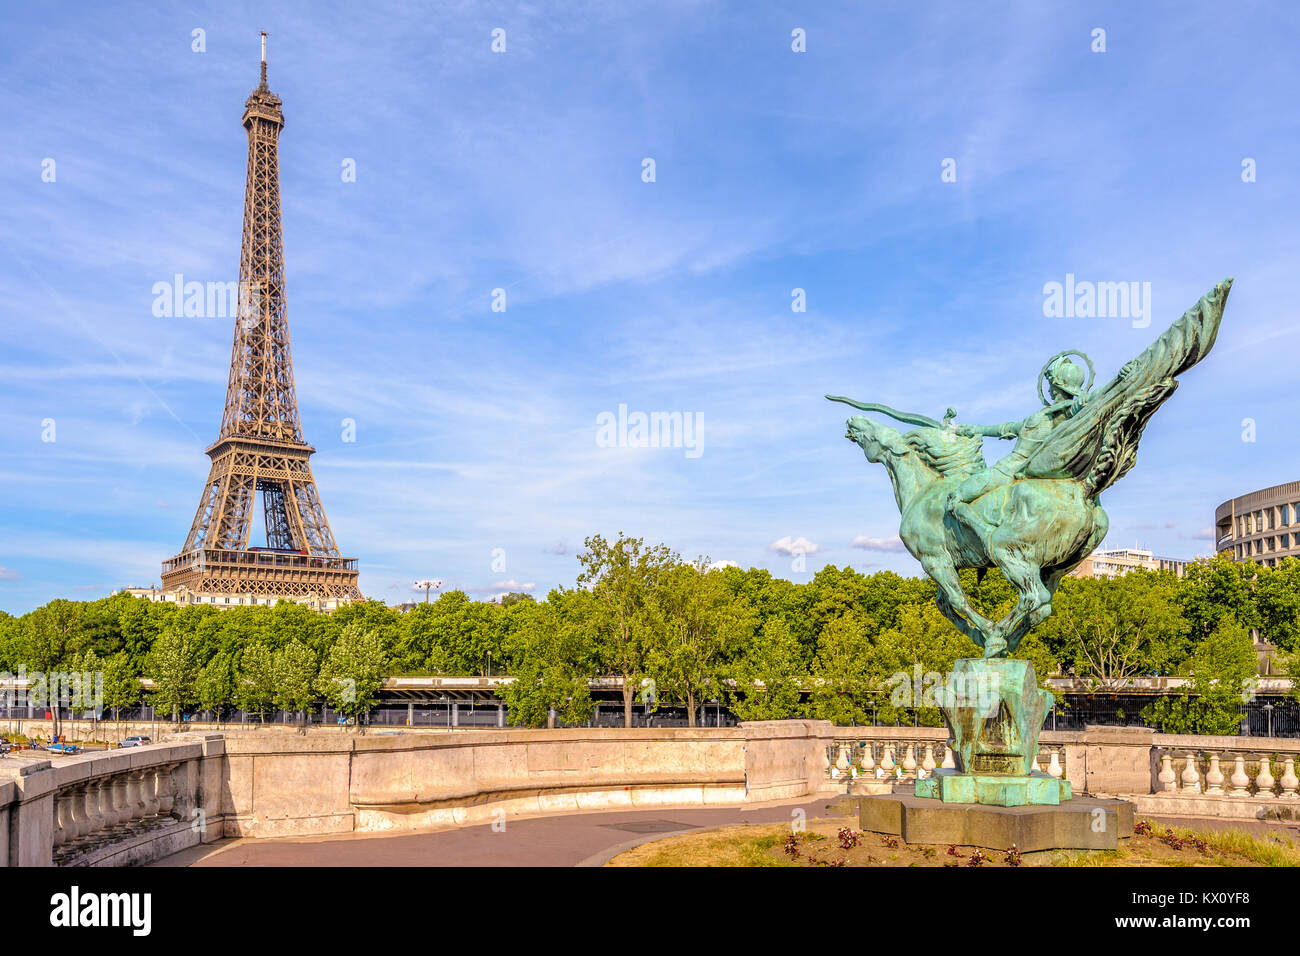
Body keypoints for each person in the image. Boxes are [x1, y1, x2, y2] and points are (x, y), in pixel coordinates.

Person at [946, 355, 1089, 544]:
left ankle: (987, 538)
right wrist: (976, 429)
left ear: (1056, 385)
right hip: (1017, 467)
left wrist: (1114, 383)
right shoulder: (1044, 414)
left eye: (1050, 383)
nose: (1048, 388)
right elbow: (1008, 428)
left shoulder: (1065, 412)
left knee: (955, 498)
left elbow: (1086, 404)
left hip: (1010, 468)